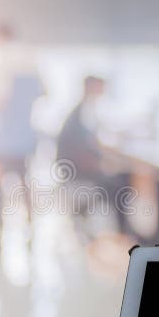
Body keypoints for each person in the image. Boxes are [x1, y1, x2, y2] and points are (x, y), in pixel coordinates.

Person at [56, 76, 131, 234]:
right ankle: (121, 233)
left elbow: (90, 141)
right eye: (100, 87)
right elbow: (82, 148)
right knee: (121, 184)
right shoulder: (83, 111)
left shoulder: (84, 109)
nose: (102, 91)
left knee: (120, 177)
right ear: (90, 87)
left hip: (76, 168)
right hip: (78, 172)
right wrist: (104, 163)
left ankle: (120, 231)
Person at [0, 22, 43, 215]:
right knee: (24, 179)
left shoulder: (4, 60)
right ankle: (30, 217)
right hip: (25, 135)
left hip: (6, 136)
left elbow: (0, 100)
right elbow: (43, 93)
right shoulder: (30, 58)